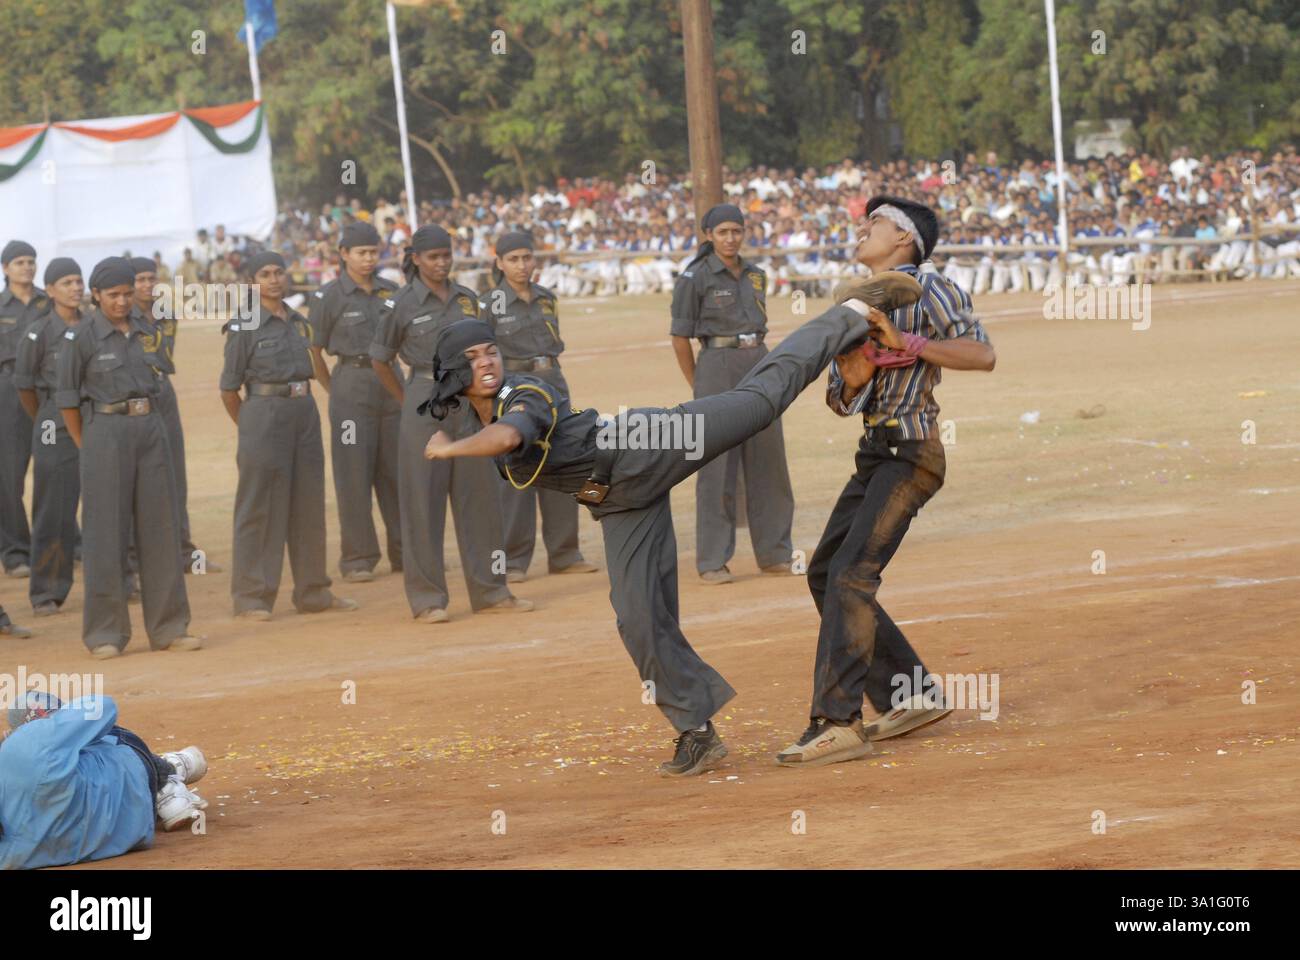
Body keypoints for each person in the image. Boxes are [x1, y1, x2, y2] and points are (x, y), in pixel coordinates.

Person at [420, 269, 922, 776]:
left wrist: (449, 450)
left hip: (645, 443)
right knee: (637, 616)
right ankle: (696, 732)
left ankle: (852, 312)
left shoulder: (525, 391)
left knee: (758, 403)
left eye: (490, 351)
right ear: (454, 375)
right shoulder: (476, 416)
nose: (487, 361)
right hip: (618, 499)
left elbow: (509, 438)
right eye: (472, 358)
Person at [775, 196, 996, 768]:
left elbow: (982, 354)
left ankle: (837, 721)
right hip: (876, 450)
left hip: (913, 452)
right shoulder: (856, 305)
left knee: (851, 575)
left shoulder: (932, 287)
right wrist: (853, 377)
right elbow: (839, 400)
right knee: (827, 572)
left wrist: (909, 346)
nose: (861, 228)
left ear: (903, 240)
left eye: (874, 223)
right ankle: (910, 694)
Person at [370, 225, 529, 622]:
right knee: (423, 503)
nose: (441, 263)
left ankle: (491, 590)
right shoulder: (400, 303)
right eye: (433, 257)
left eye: (446, 255)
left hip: (469, 402)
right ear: (416, 259)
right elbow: (380, 358)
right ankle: (428, 600)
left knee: (482, 500)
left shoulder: (468, 300)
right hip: (425, 398)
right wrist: (411, 402)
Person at [56, 257, 203, 659]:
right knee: (106, 534)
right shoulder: (80, 337)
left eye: (126, 294)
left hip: (150, 428)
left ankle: (170, 627)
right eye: (113, 295)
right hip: (104, 432)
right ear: (96, 295)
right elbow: (67, 399)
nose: (122, 302)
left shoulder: (147, 329)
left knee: (161, 528)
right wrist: (88, 444)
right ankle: (105, 632)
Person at [220, 252, 359, 620]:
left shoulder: (299, 322)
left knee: (308, 503)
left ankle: (313, 591)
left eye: (279, 272)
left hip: (303, 413)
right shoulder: (243, 326)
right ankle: (252, 597)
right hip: (264, 415)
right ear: (252, 281)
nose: (274, 279)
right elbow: (229, 390)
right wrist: (251, 428)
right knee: (259, 508)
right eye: (264, 273)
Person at [669, 204, 795, 585]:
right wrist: (700, 383)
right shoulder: (693, 277)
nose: (730, 238)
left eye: (736, 231)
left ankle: (775, 552)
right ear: (709, 235)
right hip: (716, 363)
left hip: (757, 359)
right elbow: (679, 338)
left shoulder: (755, 275)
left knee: (769, 460)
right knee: (716, 467)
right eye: (722, 232)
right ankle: (712, 559)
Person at [482, 231, 597, 582]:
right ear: (499, 263)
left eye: (527, 257)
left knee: (562, 460)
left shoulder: (547, 299)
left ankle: (564, 552)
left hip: (552, 382)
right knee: (517, 472)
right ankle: (515, 559)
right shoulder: (489, 304)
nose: (522, 265)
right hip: (514, 389)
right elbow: (483, 356)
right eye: (513, 259)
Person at [0, 692, 208, 870]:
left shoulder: (7, 859)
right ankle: (166, 774)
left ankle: (167, 779)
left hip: (137, 825)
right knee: (92, 735)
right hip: (134, 771)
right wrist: (42, 729)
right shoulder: (23, 746)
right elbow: (102, 706)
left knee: (66, 753)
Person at [309, 221, 402, 582]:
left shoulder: (392, 292)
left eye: (372, 252)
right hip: (350, 382)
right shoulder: (327, 297)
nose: (367, 259)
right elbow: (313, 351)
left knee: (397, 472)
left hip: (391, 383)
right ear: (344, 255)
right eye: (360, 253)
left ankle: (406, 552)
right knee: (353, 474)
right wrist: (336, 390)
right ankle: (358, 557)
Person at [130, 256, 220, 574]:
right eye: (139, 279)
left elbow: (164, 356)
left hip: (162, 392)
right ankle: (133, 559)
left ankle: (183, 551)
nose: (147, 285)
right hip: (131, 400)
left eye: (151, 278)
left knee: (174, 474)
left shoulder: (166, 312)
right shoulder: (119, 317)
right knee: (134, 480)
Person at [14, 258, 84, 616]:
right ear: (51, 289)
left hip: (97, 423)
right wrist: (47, 417)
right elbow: (25, 387)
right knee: (53, 510)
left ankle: (124, 578)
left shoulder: (95, 327)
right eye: (67, 282)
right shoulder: (37, 333)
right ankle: (47, 591)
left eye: (78, 281)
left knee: (113, 504)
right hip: (54, 425)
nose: (75, 288)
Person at [0, 240, 48, 579]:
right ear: (5, 269)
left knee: (55, 471)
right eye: (19, 262)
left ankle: (65, 544)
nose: (27, 267)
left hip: (47, 392)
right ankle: (16, 551)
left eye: (31, 261)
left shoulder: (50, 302)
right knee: (9, 475)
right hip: (9, 392)